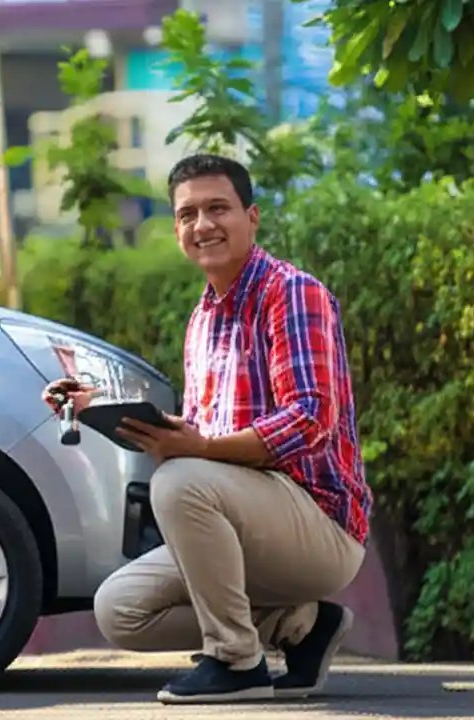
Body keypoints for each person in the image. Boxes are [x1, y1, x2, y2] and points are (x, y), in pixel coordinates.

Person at [42, 154, 372, 705]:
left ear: (252, 217)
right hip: (247, 518)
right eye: (187, 214)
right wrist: (100, 408)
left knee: (179, 480)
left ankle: (237, 662)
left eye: (218, 208)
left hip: (320, 525)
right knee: (119, 609)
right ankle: (302, 626)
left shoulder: (290, 293)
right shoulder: (203, 318)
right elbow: (204, 434)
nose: (203, 225)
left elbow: (311, 417)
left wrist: (197, 448)